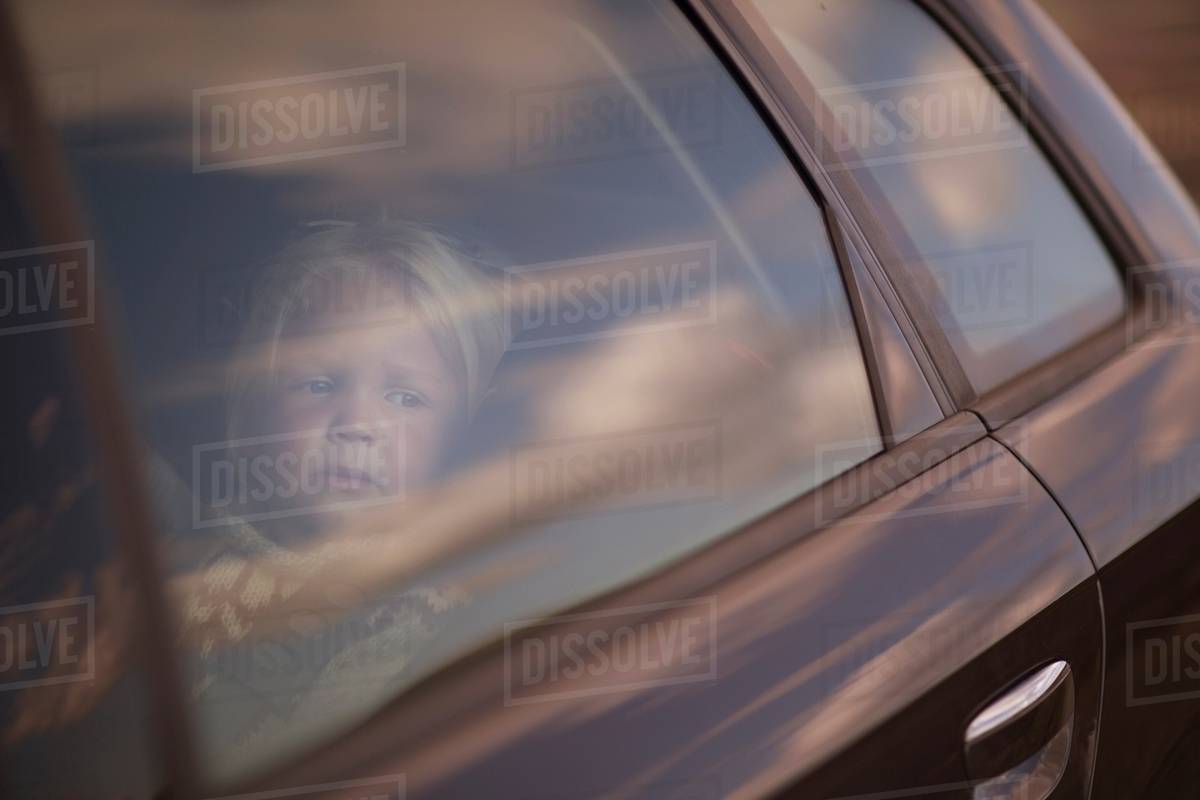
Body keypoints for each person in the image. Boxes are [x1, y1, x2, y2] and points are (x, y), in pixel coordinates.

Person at [172, 219, 510, 775]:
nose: (357, 424)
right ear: (257, 400)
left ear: (461, 434)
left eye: (405, 397)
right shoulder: (172, 573)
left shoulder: (453, 624)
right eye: (320, 384)